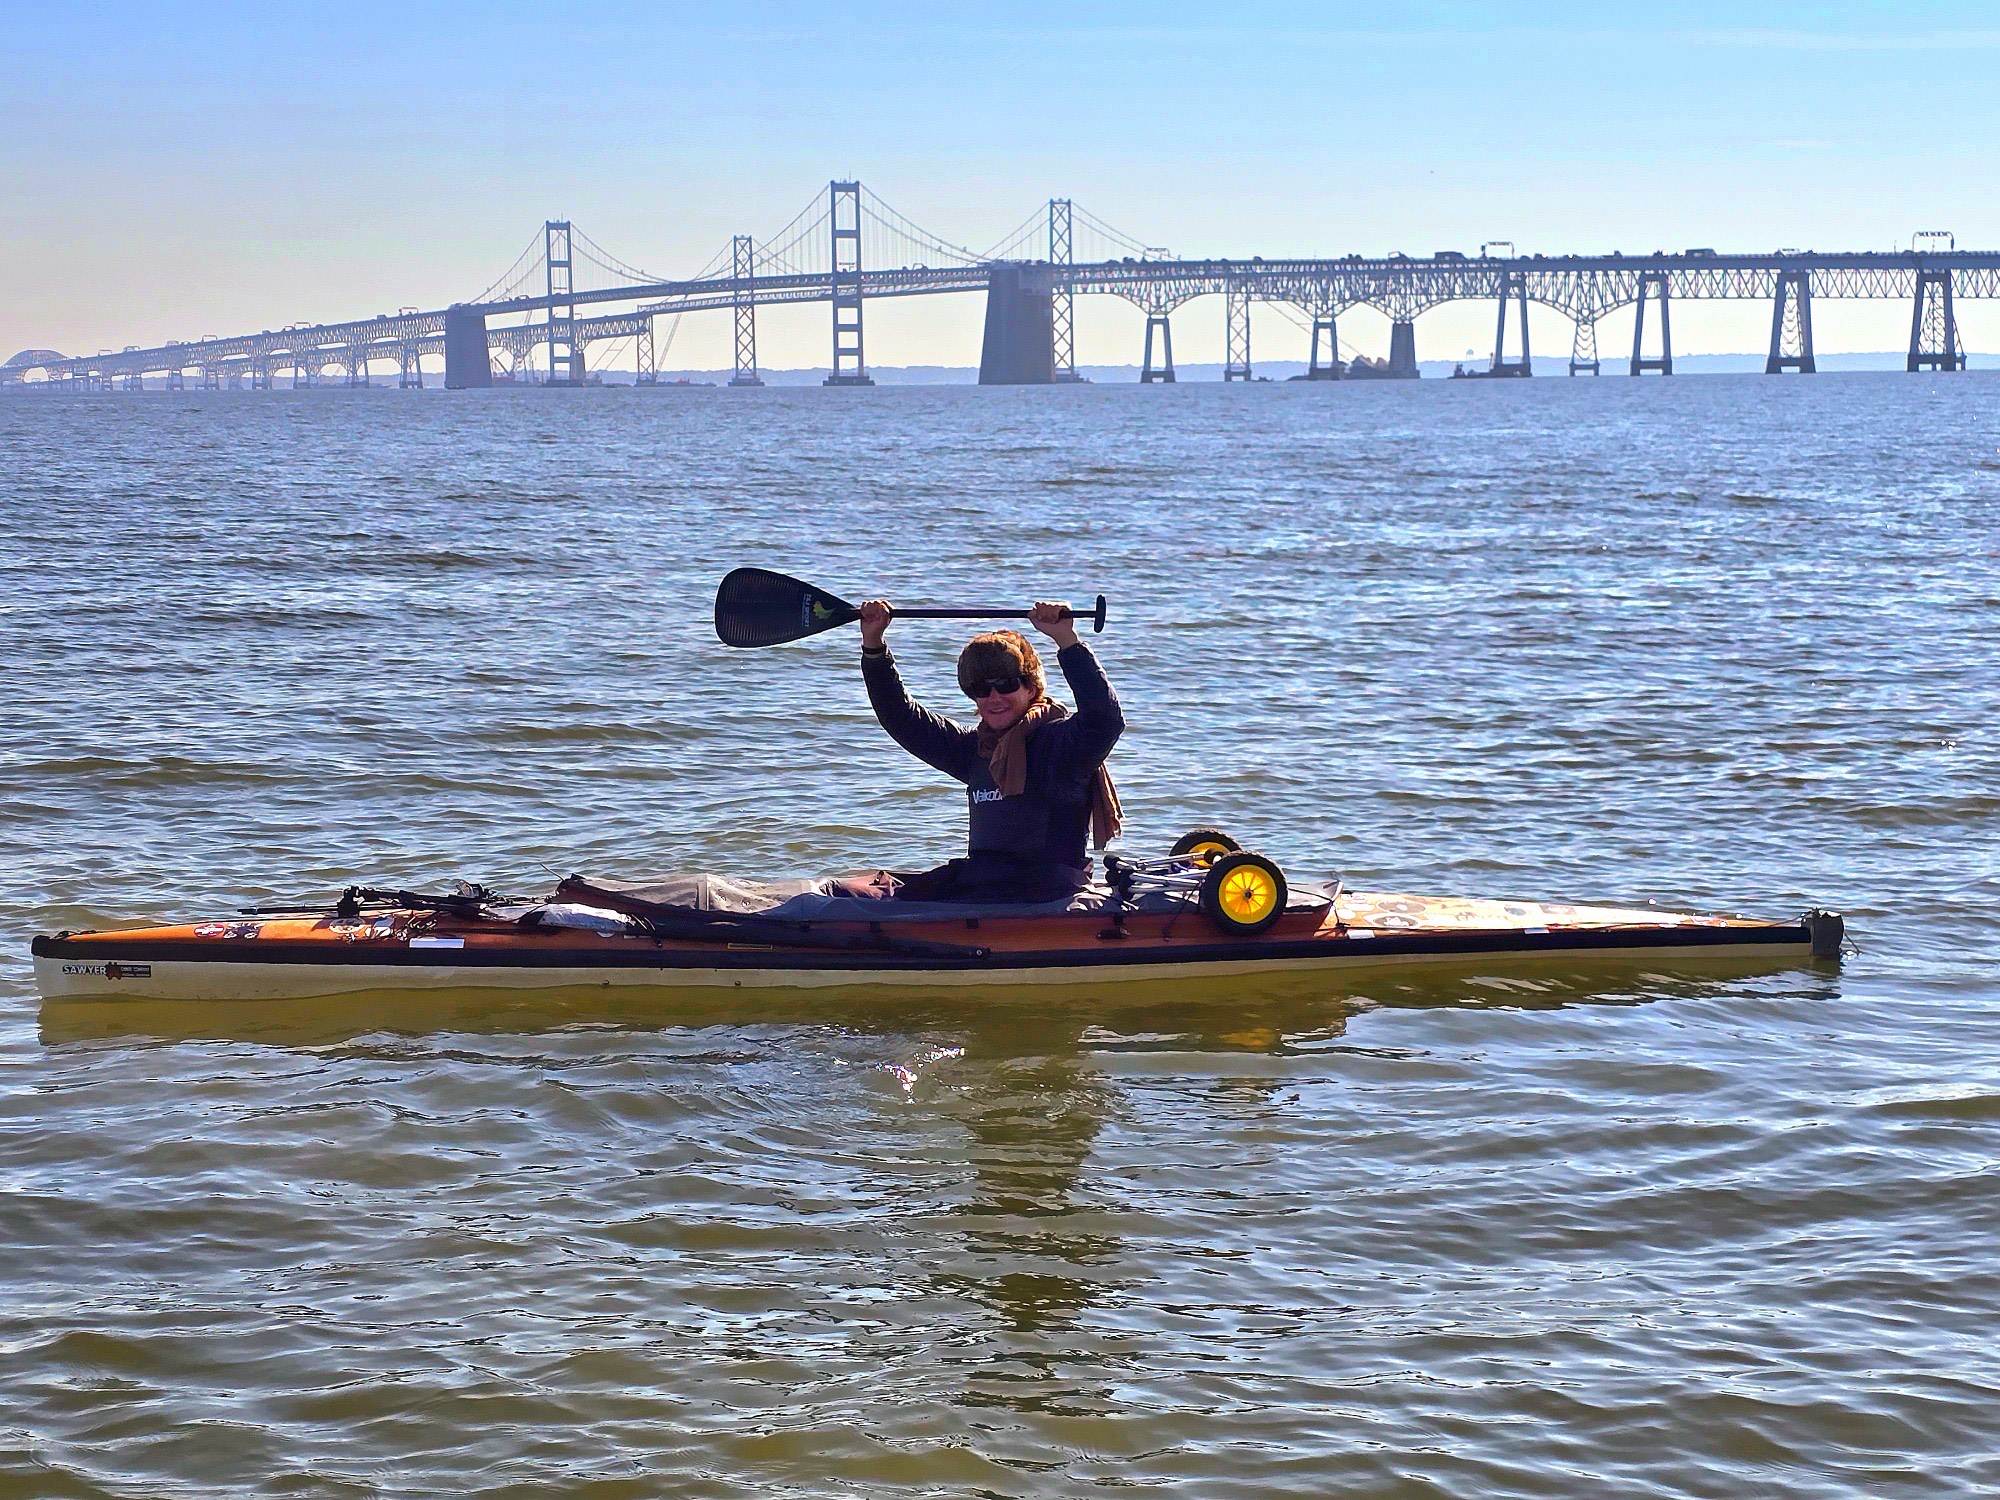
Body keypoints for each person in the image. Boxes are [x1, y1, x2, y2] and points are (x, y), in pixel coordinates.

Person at [852, 598, 1123, 903]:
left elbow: (1105, 720)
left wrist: (1066, 640)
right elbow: (902, 719)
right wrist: (873, 645)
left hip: (1045, 893)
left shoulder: (1061, 745)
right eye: (982, 689)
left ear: (1031, 688)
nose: (994, 698)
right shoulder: (975, 749)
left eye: (1006, 684)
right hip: (983, 884)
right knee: (859, 894)